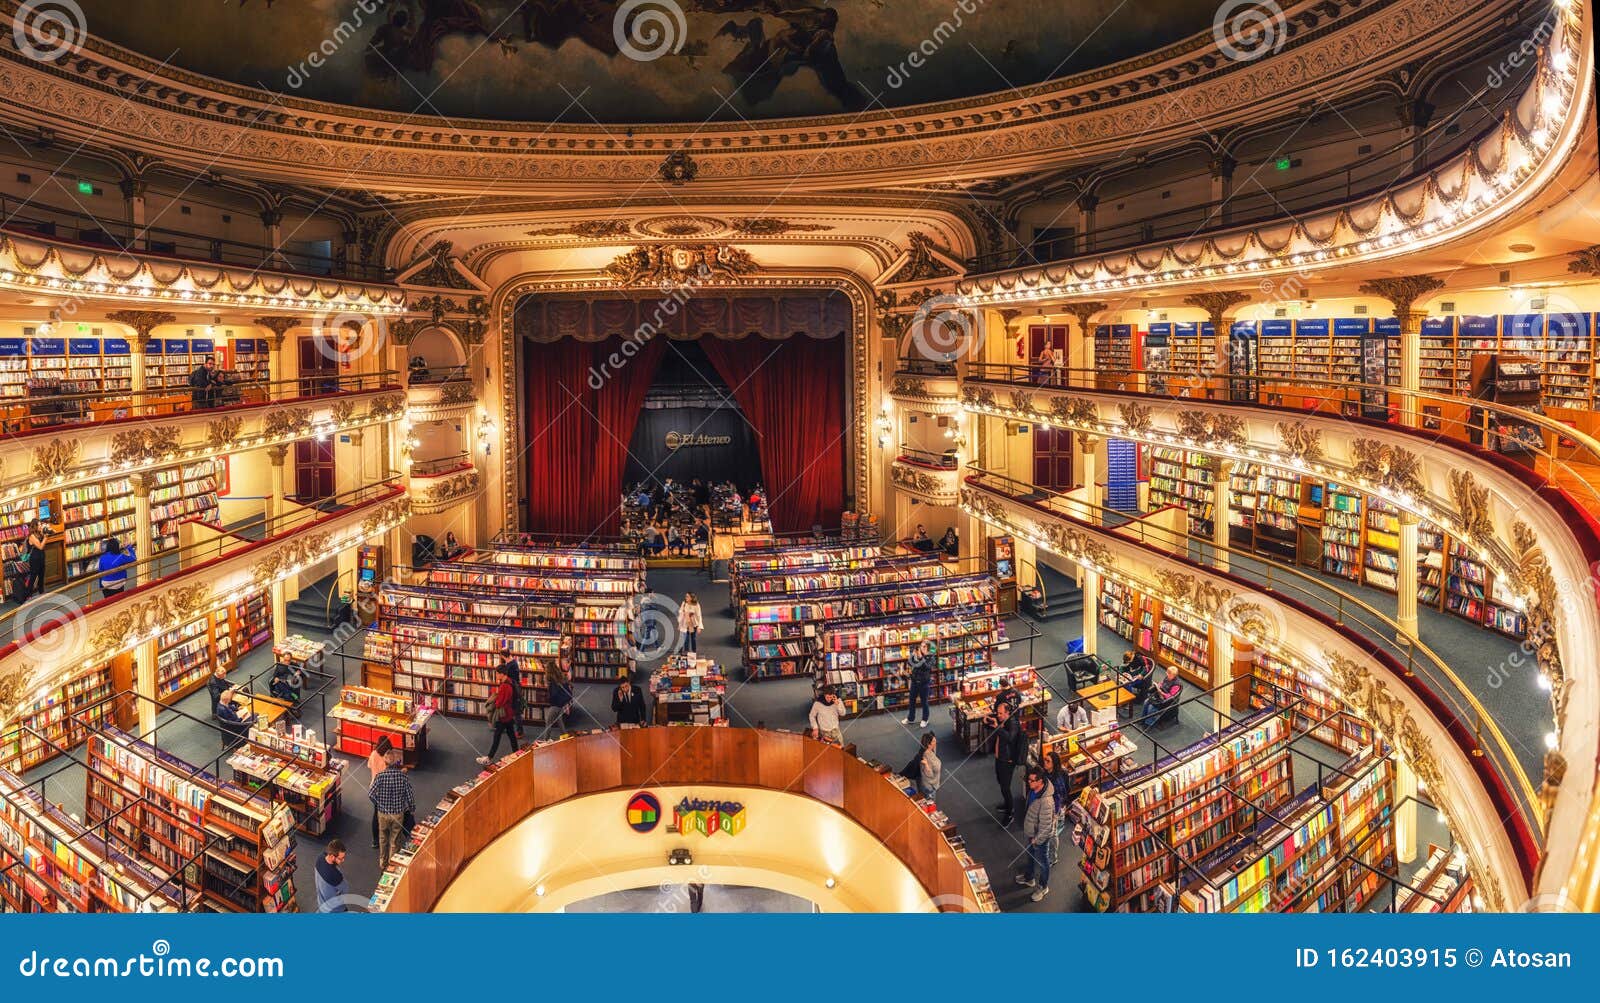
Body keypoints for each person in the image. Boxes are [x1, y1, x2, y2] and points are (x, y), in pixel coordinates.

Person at [370, 748, 416, 870]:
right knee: (395, 840)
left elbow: (371, 794)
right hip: (397, 814)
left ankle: (382, 863)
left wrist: (379, 804)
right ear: (396, 762)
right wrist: (411, 809)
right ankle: (391, 865)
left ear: (385, 762)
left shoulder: (379, 776)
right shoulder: (403, 777)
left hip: (383, 813)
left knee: (383, 838)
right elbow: (410, 796)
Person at [1016, 768, 1056, 901]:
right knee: (1030, 856)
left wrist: (1037, 839)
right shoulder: (1035, 791)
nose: (1029, 783)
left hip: (1040, 838)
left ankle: (1043, 887)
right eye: (1028, 780)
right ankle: (1029, 878)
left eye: (1032, 780)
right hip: (1032, 833)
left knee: (1043, 862)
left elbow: (1046, 826)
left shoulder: (1046, 802)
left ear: (1040, 781)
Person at [987, 701, 1025, 825]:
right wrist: (988, 723)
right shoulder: (1002, 720)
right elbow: (997, 731)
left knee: (1005, 786)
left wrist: (997, 726)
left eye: (1001, 713)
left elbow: (1009, 738)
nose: (998, 715)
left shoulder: (1013, 723)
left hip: (1007, 760)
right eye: (997, 713)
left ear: (1008, 713)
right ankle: (1006, 804)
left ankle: (1010, 811)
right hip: (1000, 758)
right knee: (1000, 782)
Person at [475, 662, 519, 765]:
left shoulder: (505, 686)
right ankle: (517, 755)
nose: (496, 675)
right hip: (509, 714)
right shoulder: (510, 682)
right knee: (511, 736)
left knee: (497, 737)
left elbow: (500, 702)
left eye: (497, 673)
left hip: (503, 715)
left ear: (502, 674)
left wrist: (495, 698)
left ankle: (489, 758)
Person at [366, 735, 395, 849]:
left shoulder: (373, 754)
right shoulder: (387, 757)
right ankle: (387, 835)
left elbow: (369, 766)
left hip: (374, 788)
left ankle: (375, 840)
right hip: (385, 789)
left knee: (376, 814)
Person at [905, 638, 935, 728]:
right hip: (914, 681)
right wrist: (913, 655)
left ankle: (925, 719)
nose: (921, 648)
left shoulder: (931, 657)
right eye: (921, 646)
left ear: (927, 648)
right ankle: (911, 718)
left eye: (923, 646)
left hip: (924, 683)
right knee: (912, 701)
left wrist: (921, 657)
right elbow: (909, 663)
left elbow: (926, 667)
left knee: (924, 702)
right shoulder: (917, 655)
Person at [315, 839, 350, 913]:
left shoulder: (320, 858)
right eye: (340, 858)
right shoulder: (335, 875)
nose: (343, 860)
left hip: (321, 902)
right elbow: (345, 889)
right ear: (331, 856)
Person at [1118, 650, 1155, 718]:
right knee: (1123, 682)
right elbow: (1123, 666)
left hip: (1141, 677)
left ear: (1132, 657)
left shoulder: (1140, 658)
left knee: (1128, 684)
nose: (1129, 662)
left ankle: (1129, 701)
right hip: (1132, 674)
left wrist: (1141, 674)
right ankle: (1125, 698)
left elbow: (1146, 668)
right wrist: (1121, 673)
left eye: (1130, 661)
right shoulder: (1128, 658)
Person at [19, 520, 49, 600]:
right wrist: (46, 537)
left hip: (41, 557)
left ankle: (41, 591)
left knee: (41, 575)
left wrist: (48, 531)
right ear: (35, 526)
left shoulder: (39, 534)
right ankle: (28, 595)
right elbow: (40, 547)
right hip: (34, 559)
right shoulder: (31, 536)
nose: (40, 526)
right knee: (33, 577)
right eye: (39, 525)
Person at [546, 655, 574, 735]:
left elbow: (554, 695)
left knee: (548, 723)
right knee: (560, 720)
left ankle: (545, 740)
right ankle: (565, 735)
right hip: (561, 704)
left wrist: (551, 701)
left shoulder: (552, 681)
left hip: (555, 705)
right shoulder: (559, 677)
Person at [917, 732, 941, 800]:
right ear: (928, 744)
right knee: (930, 804)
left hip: (933, 784)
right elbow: (930, 775)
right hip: (929, 786)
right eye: (933, 741)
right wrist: (926, 765)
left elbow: (934, 747)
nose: (935, 742)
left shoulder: (931, 751)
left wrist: (931, 736)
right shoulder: (926, 757)